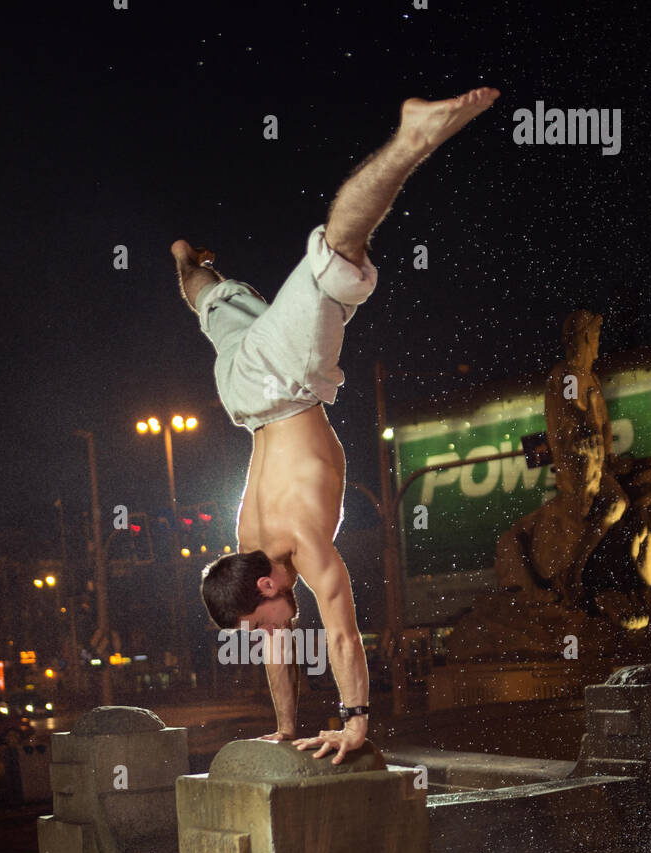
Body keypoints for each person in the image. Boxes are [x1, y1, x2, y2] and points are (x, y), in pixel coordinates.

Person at [171, 87, 500, 762]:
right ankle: (194, 270)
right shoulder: (248, 550)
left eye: (256, 622)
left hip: (280, 382)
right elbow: (278, 652)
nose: (264, 634)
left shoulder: (300, 545)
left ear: (264, 587)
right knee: (214, 310)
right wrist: (287, 729)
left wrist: (355, 721)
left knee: (339, 256)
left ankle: (410, 138)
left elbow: (344, 637)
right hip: (239, 395)